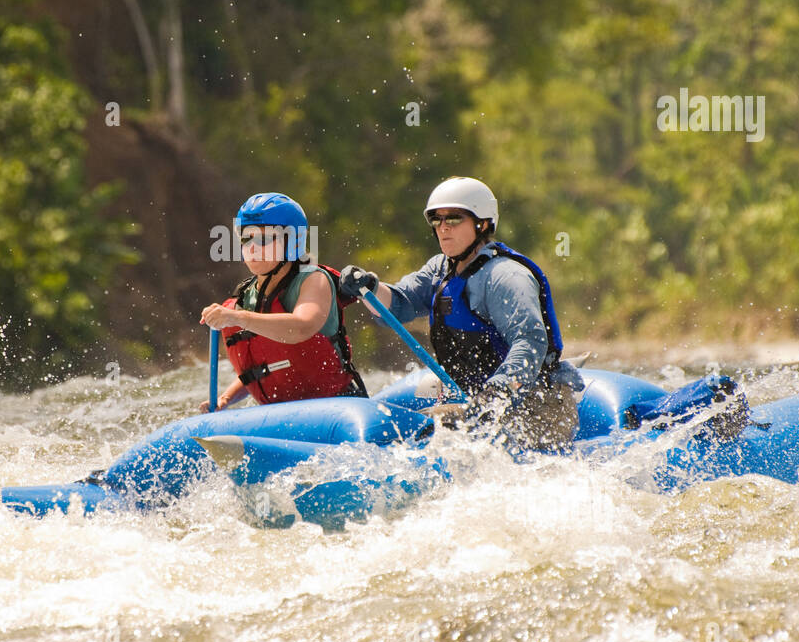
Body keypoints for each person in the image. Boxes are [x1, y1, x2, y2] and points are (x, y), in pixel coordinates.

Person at [339, 176, 583, 449]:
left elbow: (530, 340)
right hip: (475, 402)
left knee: (421, 435)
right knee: (404, 429)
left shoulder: (506, 276)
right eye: (437, 220)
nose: (443, 228)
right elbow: (397, 305)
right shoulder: (440, 269)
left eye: (454, 219)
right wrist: (368, 287)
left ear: (483, 223)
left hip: (533, 404)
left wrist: (498, 391)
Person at [200, 193, 366, 411]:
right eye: (245, 238)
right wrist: (226, 399)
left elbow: (301, 327)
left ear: (293, 241)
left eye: (263, 239)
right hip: (281, 415)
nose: (252, 247)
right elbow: (265, 368)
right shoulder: (244, 297)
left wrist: (237, 317)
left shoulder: (313, 280)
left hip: (337, 408)